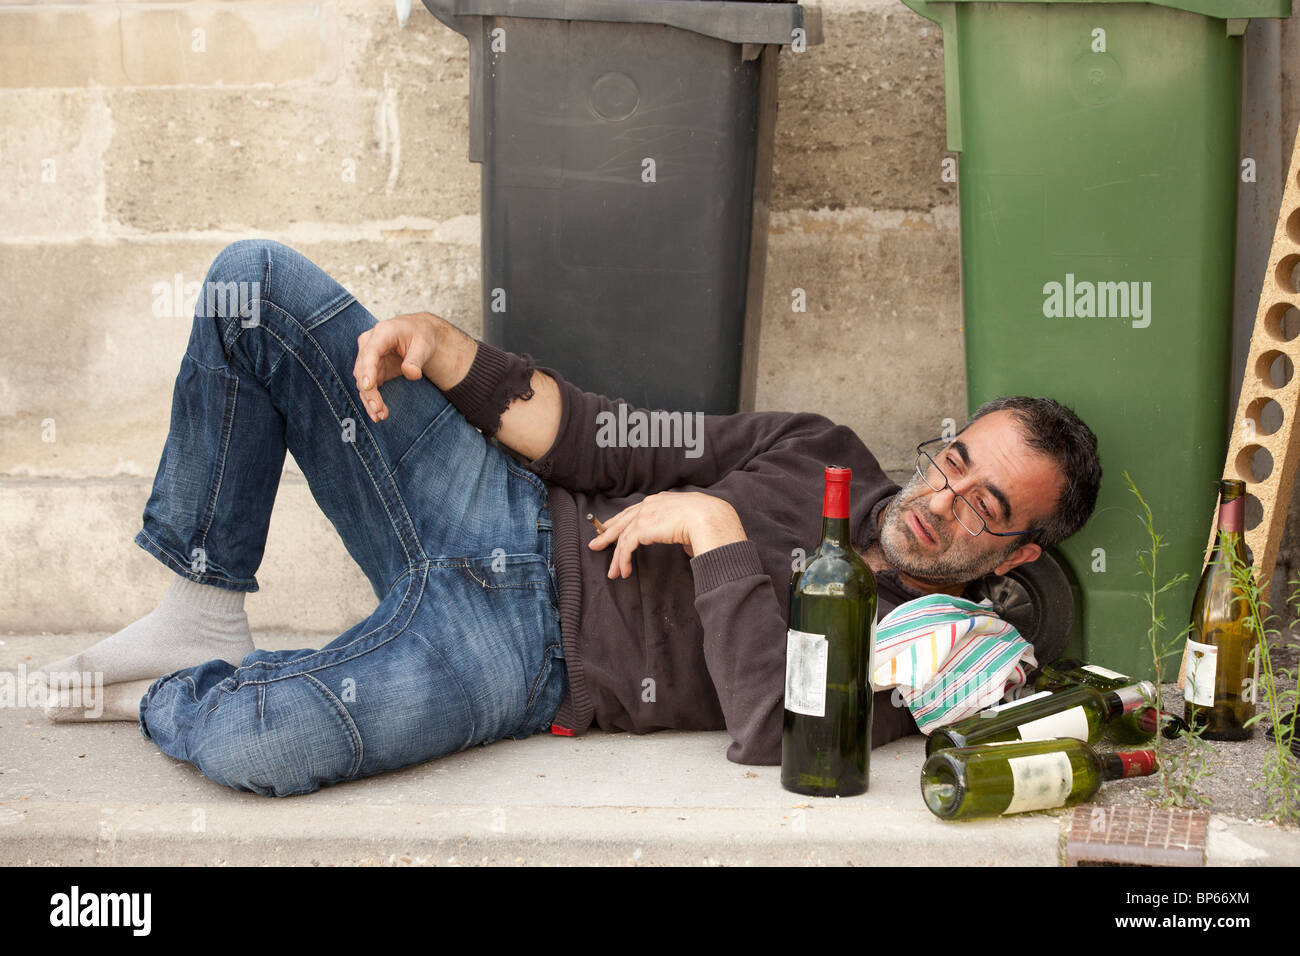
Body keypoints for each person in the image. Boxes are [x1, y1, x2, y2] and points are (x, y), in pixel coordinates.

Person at [39, 239, 1102, 796]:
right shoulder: (818, 447)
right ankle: (201, 605)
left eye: (984, 506)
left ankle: (194, 689)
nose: (942, 499)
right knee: (253, 284)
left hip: (521, 657)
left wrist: (717, 538)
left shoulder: (923, 651)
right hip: (497, 501)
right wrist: (448, 351)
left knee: (261, 743)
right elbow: (607, 437)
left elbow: (772, 737)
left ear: (1014, 549)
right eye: (955, 461)